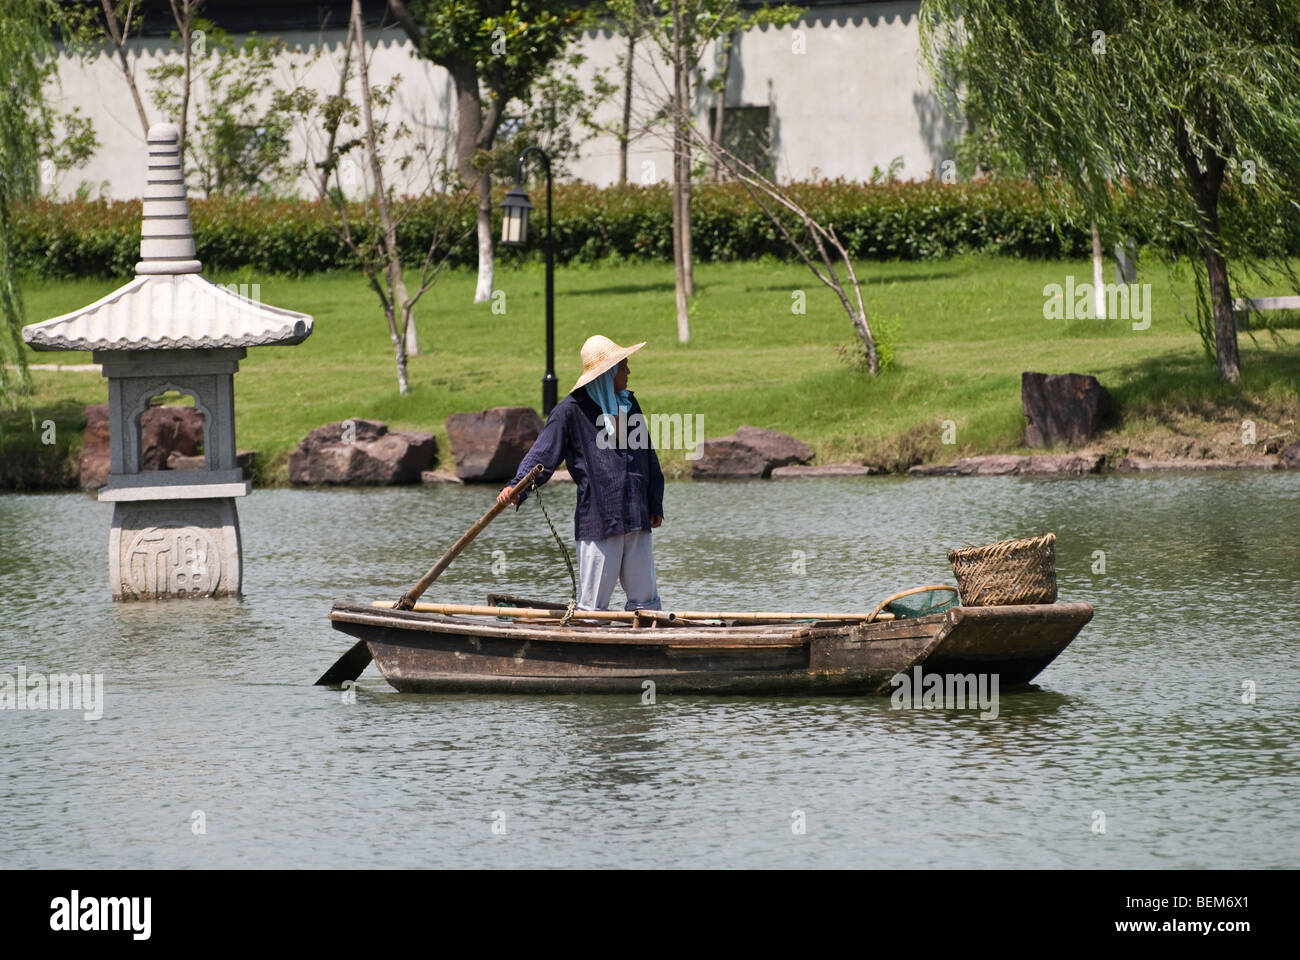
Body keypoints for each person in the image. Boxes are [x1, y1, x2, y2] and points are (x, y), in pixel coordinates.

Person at [497, 334, 664, 611]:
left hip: (637, 513)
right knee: (594, 606)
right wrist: (517, 487)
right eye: (624, 367)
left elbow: (646, 456)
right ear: (609, 372)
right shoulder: (570, 412)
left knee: (646, 602)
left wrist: (654, 501)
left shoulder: (627, 405)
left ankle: (646, 644)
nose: (629, 372)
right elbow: (542, 455)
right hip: (600, 518)